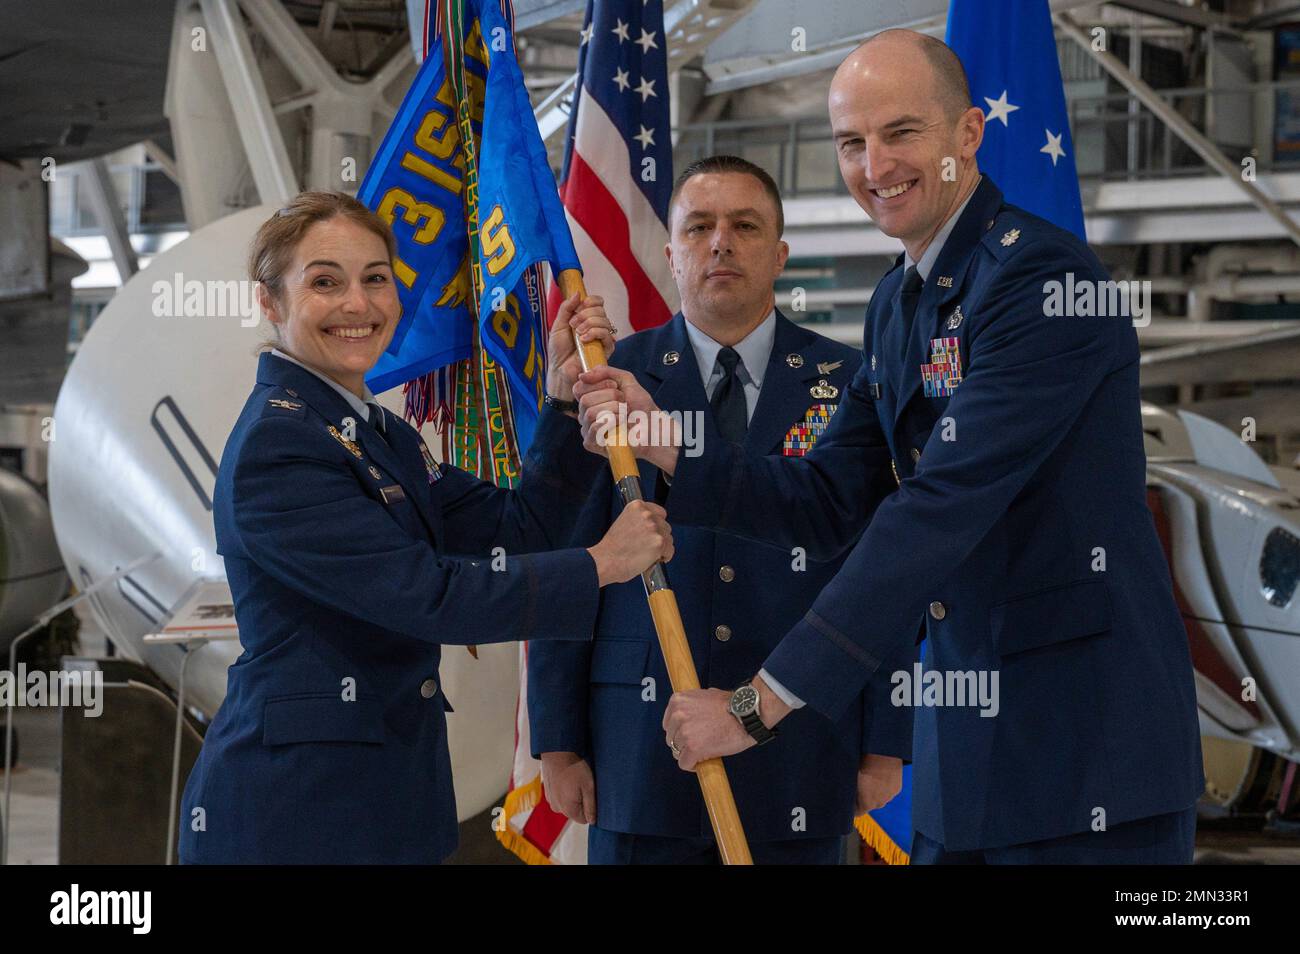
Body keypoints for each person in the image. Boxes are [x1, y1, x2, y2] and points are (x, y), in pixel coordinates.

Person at [575, 31, 1204, 864]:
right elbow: (833, 496)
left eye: (901, 132)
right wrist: (669, 449)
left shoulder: (1045, 283)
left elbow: (936, 509)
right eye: (850, 142)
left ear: (968, 135)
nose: (875, 165)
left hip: (1085, 757)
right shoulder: (898, 304)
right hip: (966, 764)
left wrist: (756, 705)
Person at [179, 191, 671, 864]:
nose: (358, 304)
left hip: (385, 799)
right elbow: (428, 598)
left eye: (375, 278)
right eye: (325, 282)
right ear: (269, 302)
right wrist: (600, 565)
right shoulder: (281, 445)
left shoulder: (376, 434)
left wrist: (560, 401)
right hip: (297, 812)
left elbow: (517, 530)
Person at [529, 156, 913, 865]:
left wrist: (886, 739)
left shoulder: (852, 383)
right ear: (671, 253)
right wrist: (557, 737)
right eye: (699, 227)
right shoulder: (611, 379)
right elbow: (564, 560)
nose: (721, 243)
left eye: (745, 226)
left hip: (803, 737)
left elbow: (884, 567)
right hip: (637, 744)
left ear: (779, 253)